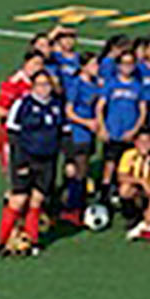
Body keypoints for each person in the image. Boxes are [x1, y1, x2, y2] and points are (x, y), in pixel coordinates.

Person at [0, 69, 64, 258]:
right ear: (33, 87)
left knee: (37, 200)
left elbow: (62, 134)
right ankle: (1, 241)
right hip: (25, 159)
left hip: (47, 161)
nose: (44, 89)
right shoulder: (22, 105)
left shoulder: (57, 106)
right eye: (40, 85)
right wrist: (19, 162)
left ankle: (33, 241)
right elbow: (13, 134)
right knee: (19, 199)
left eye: (47, 84)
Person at [61, 53, 105, 223]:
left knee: (82, 169)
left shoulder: (94, 84)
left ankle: (74, 204)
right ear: (83, 66)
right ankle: (72, 208)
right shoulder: (76, 84)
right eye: (93, 64)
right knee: (78, 170)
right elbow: (69, 111)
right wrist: (86, 122)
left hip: (89, 133)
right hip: (77, 133)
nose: (97, 68)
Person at [102, 51, 149, 187]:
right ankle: (105, 192)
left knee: (128, 163)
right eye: (124, 63)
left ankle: (122, 191)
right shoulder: (111, 84)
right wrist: (103, 127)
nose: (127, 67)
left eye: (130, 63)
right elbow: (100, 107)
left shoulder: (138, 86)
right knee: (110, 163)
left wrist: (135, 130)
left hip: (130, 131)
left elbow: (143, 110)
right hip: (113, 130)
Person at [0, 51, 44, 175]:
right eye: (35, 63)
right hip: (13, 136)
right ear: (26, 63)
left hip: (33, 136)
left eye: (41, 64)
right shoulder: (15, 83)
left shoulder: (38, 83)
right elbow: (0, 111)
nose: (38, 68)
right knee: (16, 175)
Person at [116, 129, 150, 238]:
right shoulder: (128, 154)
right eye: (141, 142)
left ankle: (147, 217)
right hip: (137, 187)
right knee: (124, 189)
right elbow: (121, 176)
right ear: (136, 143)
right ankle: (132, 216)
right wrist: (141, 181)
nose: (144, 145)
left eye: (147, 142)